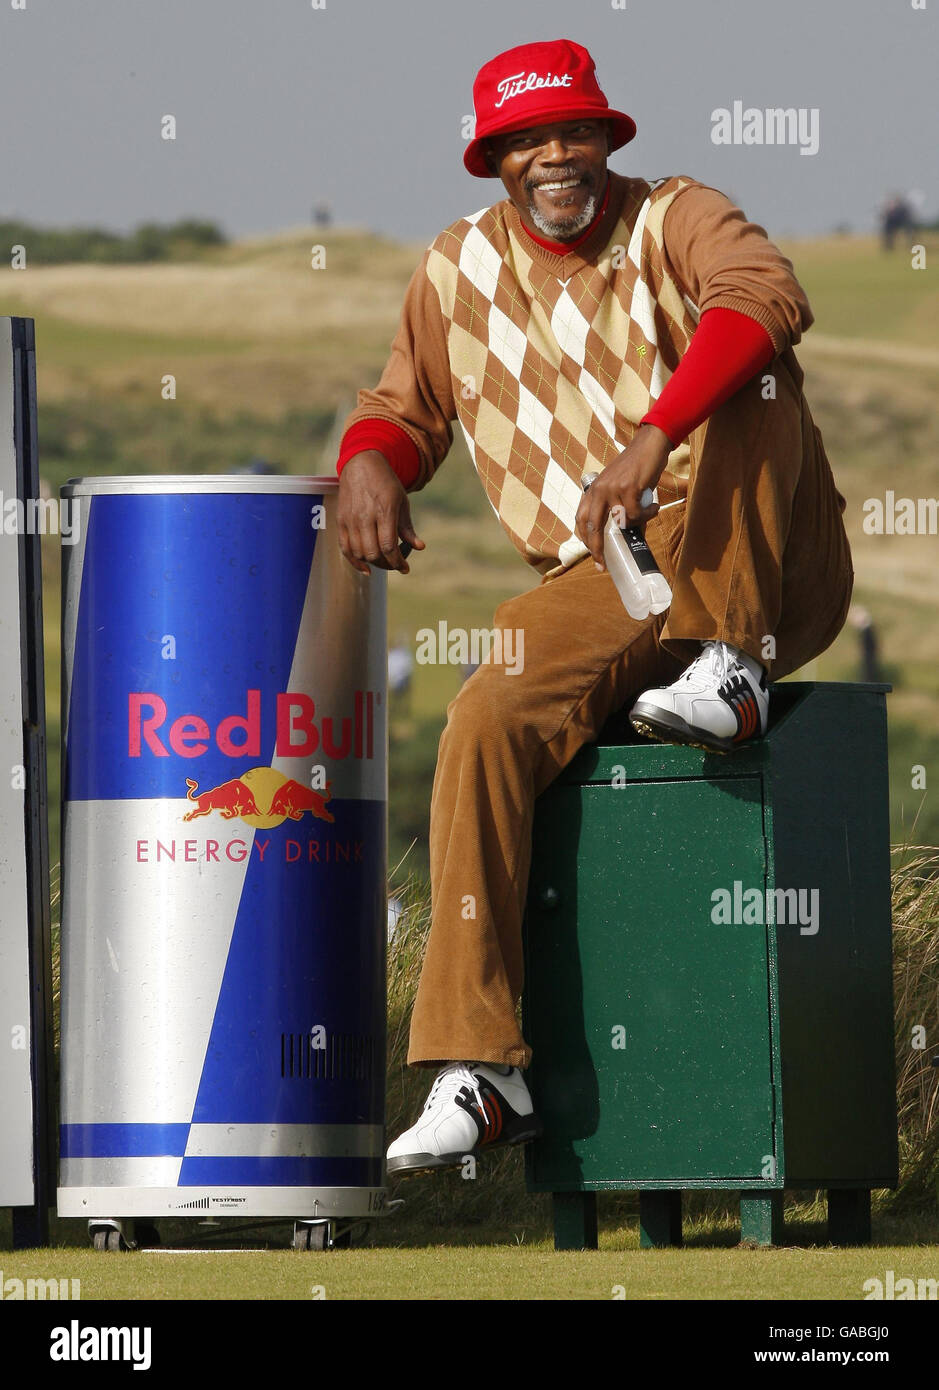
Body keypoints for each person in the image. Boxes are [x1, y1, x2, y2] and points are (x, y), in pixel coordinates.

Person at [334, 38, 854, 1177]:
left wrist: (657, 436)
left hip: (766, 553)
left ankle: (734, 667)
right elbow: (401, 410)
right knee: (486, 712)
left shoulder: (673, 213)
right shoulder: (455, 269)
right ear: (496, 160)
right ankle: (485, 1068)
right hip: (617, 575)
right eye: (527, 140)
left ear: (608, 137)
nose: (553, 156)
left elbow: (768, 293)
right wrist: (370, 458)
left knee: (757, 362)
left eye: (572, 131)